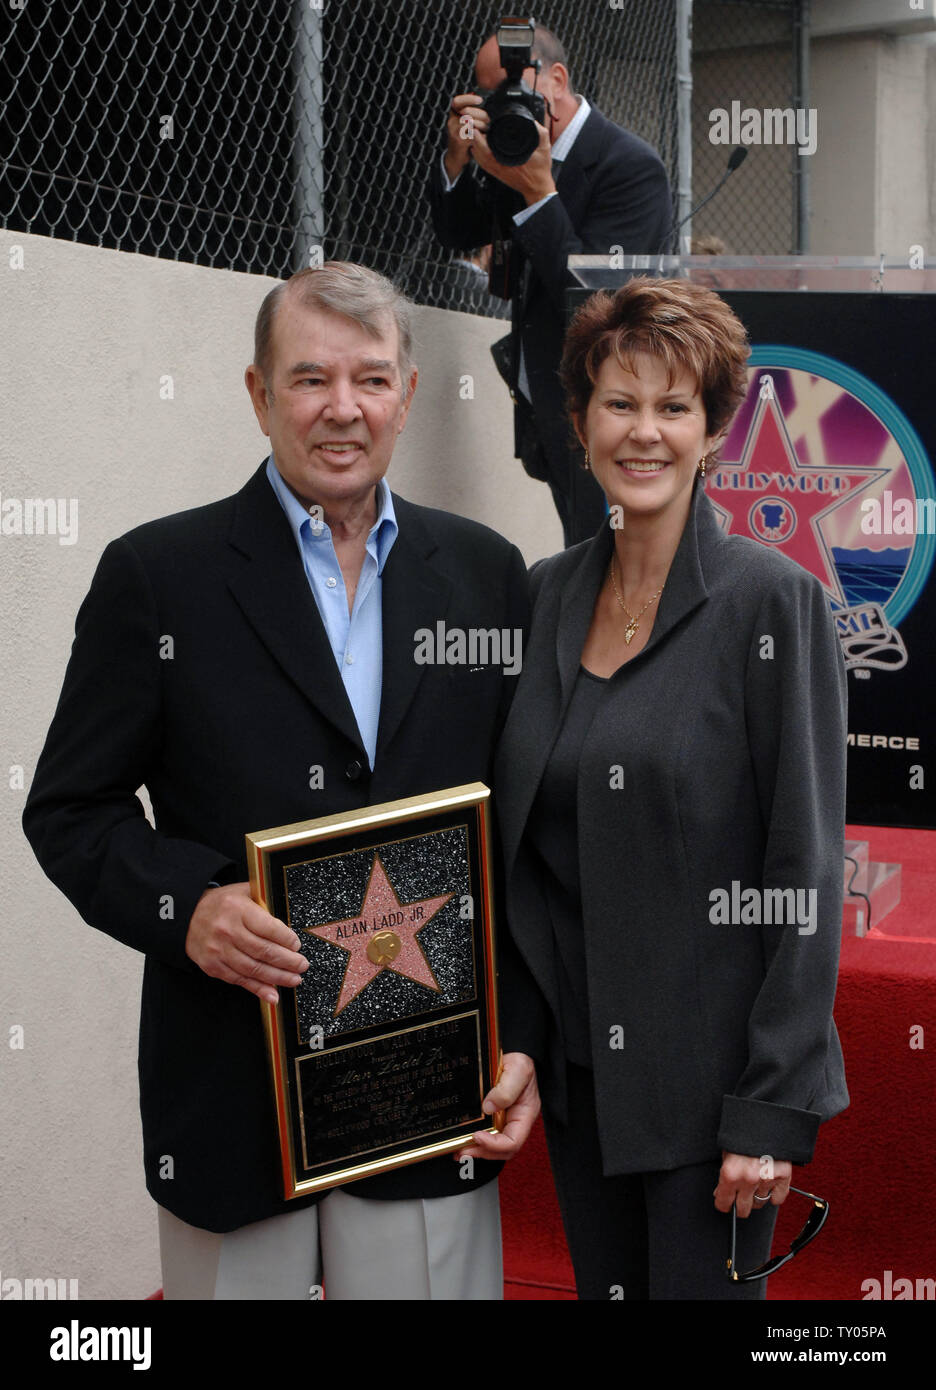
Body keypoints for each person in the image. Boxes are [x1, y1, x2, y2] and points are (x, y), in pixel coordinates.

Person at [22, 261, 538, 1301]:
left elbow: (519, 832)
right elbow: (69, 808)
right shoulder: (155, 575)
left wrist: (521, 1030)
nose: (341, 408)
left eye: (369, 378)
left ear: (409, 392)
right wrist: (188, 905)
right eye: (308, 380)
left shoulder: (488, 574)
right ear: (259, 395)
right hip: (232, 1090)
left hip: (428, 1087)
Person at [493, 276, 848, 1300]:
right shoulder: (544, 596)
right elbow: (525, 856)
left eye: (673, 406)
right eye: (619, 402)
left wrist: (773, 1109)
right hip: (582, 1088)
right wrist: (521, 1038)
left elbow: (806, 868)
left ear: (713, 431)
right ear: (579, 421)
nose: (643, 432)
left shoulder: (776, 604)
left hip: (713, 1102)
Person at [428, 26, 672, 549]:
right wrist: (457, 160)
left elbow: (602, 302)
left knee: (610, 549)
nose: (504, 102)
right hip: (544, 396)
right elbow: (458, 233)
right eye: (492, 91)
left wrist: (538, 191)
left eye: (515, 85)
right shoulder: (508, 145)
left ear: (557, 78)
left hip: (608, 404)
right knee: (580, 550)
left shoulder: (629, 165)